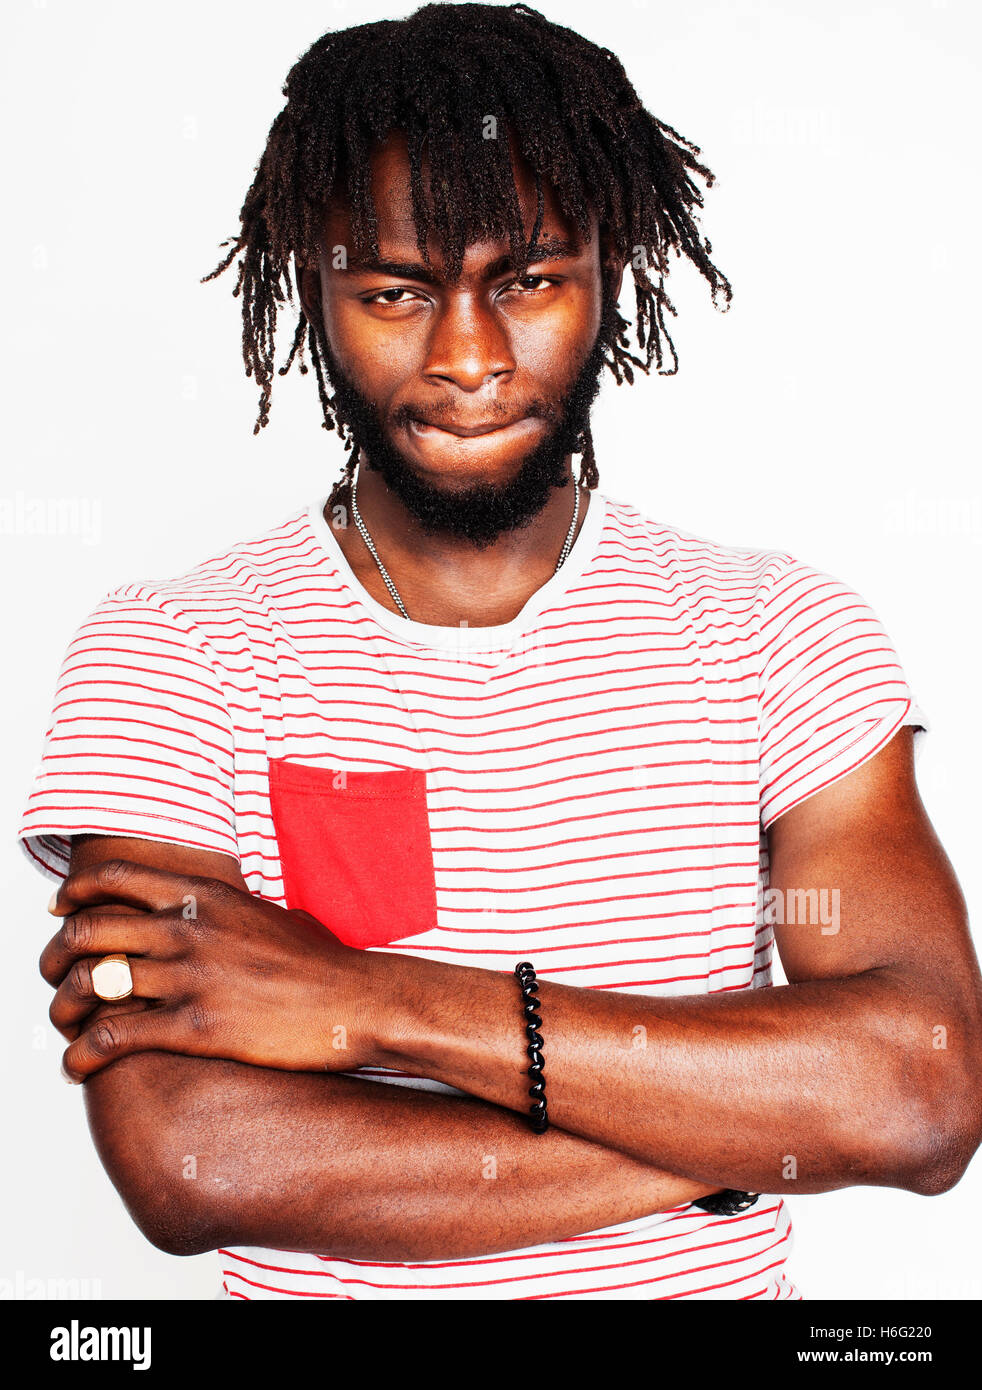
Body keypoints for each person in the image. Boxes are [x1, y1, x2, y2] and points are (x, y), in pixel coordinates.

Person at [20, 2, 982, 1301]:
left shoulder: (780, 634)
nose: (467, 358)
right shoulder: (170, 652)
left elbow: (919, 1082)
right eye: (396, 290)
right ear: (312, 288)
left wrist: (368, 1002)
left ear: (609, 265)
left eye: (524, 279)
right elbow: (193, 1158)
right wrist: (740, 1137)